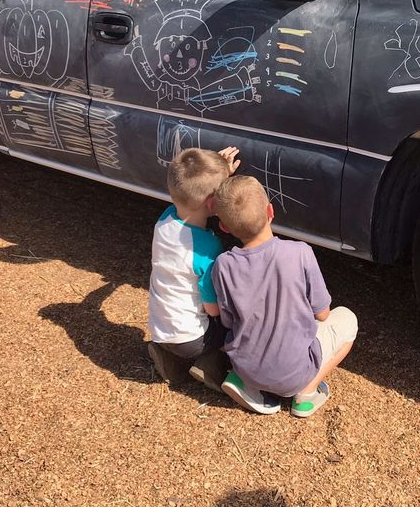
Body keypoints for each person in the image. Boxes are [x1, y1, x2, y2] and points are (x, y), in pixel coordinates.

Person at [212, 176, 358, 417]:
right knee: (347, 319)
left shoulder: (223, 265)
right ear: (271, 211)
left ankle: (247, 384)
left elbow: (228, 321)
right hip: (294, 375)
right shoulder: (300, 253)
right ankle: (306, 393)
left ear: (225, 227)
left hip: (245, 366)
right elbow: (323, 314)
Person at [147, 146, 240, 391]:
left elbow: (195, 191)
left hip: (160, 328)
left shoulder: (165, 219)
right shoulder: (207, 248)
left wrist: (219, 175)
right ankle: (210, 363)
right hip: (192, 338)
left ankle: (171, 359)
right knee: (233, 324)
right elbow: (212, 309)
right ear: (213, 203)